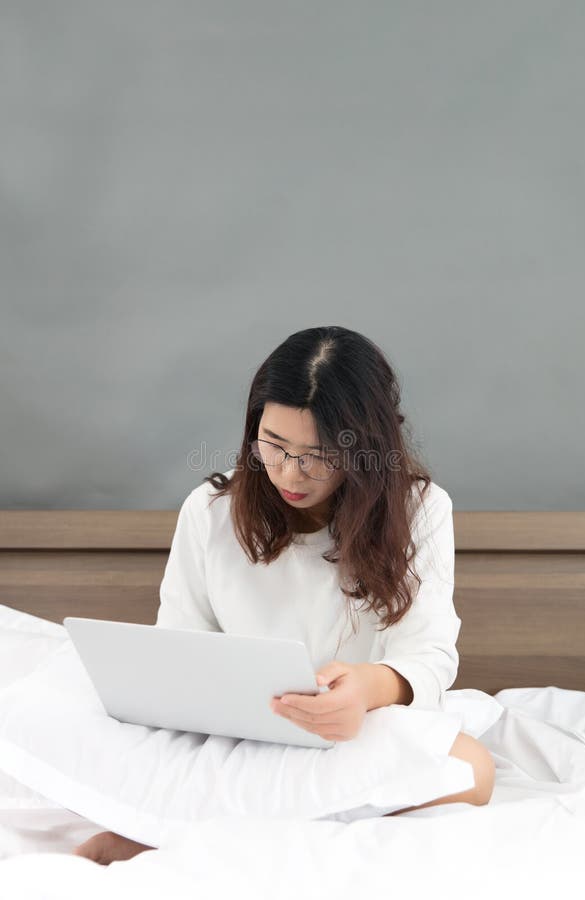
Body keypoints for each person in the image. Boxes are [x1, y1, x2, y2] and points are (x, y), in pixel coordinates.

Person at [73, 325, 495, 864]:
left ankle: (185, 830)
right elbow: (178, 645)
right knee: (75, 716)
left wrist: (366, 688)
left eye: (318, 454)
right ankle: (282, 828)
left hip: (356, 733)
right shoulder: (209, 511)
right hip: (237, 738)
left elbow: (428, 657)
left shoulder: (421, 512)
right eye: (273, 444)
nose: (290, 473)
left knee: (473, 770)